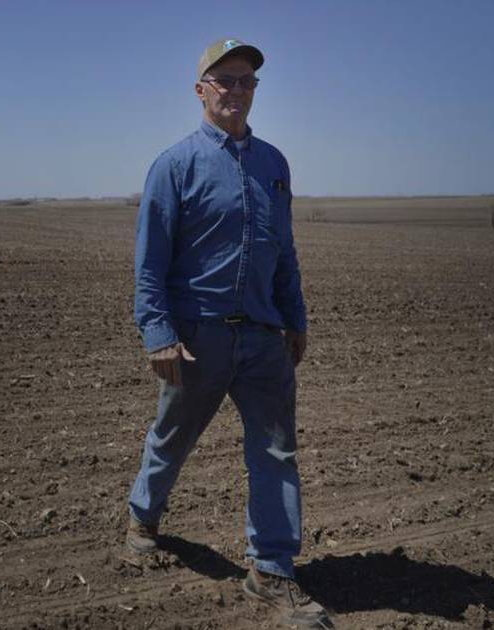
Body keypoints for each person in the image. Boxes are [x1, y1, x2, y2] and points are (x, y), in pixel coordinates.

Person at [125, 38, 330, 627]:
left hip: (265, 337)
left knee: (276, 451)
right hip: (198, 337)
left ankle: (271, 570)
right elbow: (150, 264)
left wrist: (295, 317)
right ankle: (143, 516)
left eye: (247, 82)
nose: (237, 91)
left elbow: (283, 251)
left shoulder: (274, 165)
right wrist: (158, 333)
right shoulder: (174, 166)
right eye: (225, 80)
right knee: (172, 436)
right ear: (201, 90)